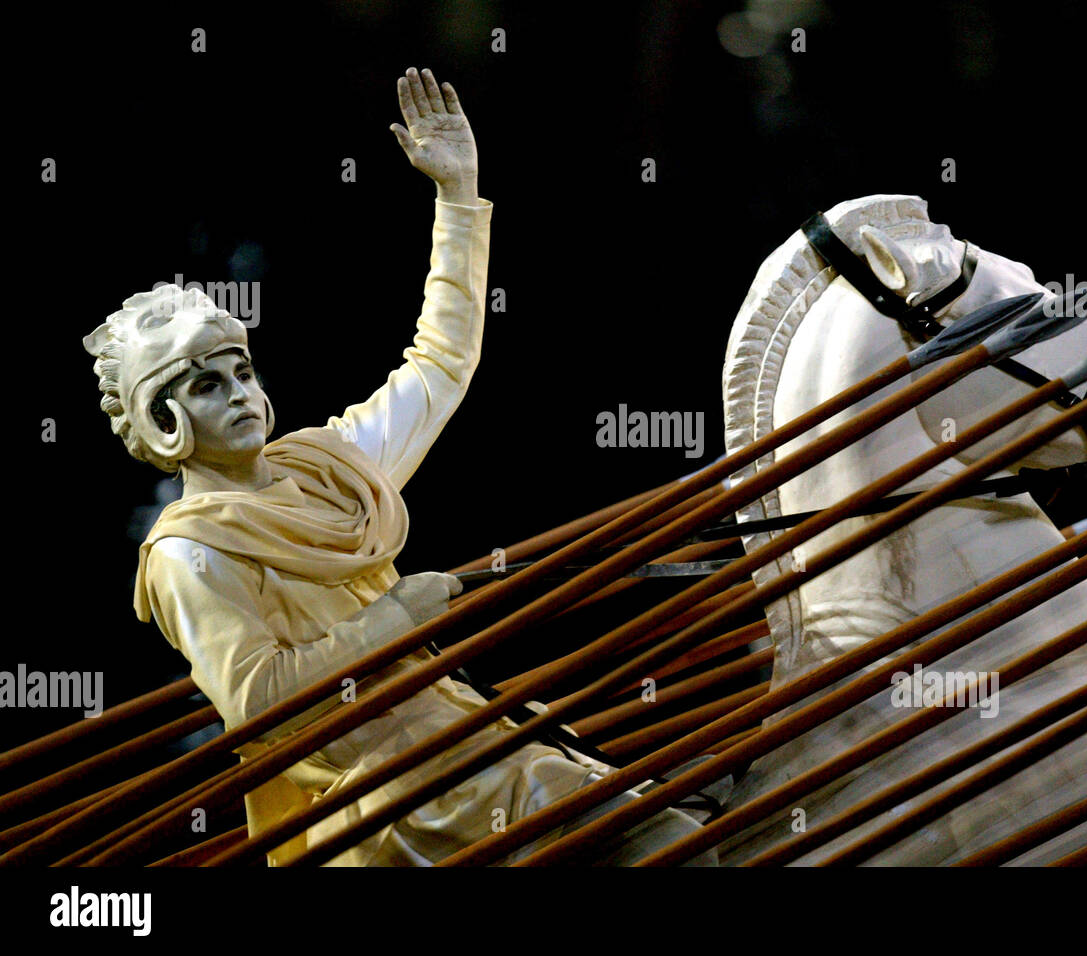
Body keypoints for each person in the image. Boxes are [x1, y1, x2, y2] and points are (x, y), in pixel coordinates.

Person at [85, 67, 712, 866]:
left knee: (684, 831)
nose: (242, 394)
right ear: (163, 421)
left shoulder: (326, 468)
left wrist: (458, 199)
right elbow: (261, 709)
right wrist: (396, 617)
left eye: (242, 370)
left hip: (467, 741)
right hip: (386, 797)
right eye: (208, 386)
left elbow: (441, 361)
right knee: (666, 841)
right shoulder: (187, 554)